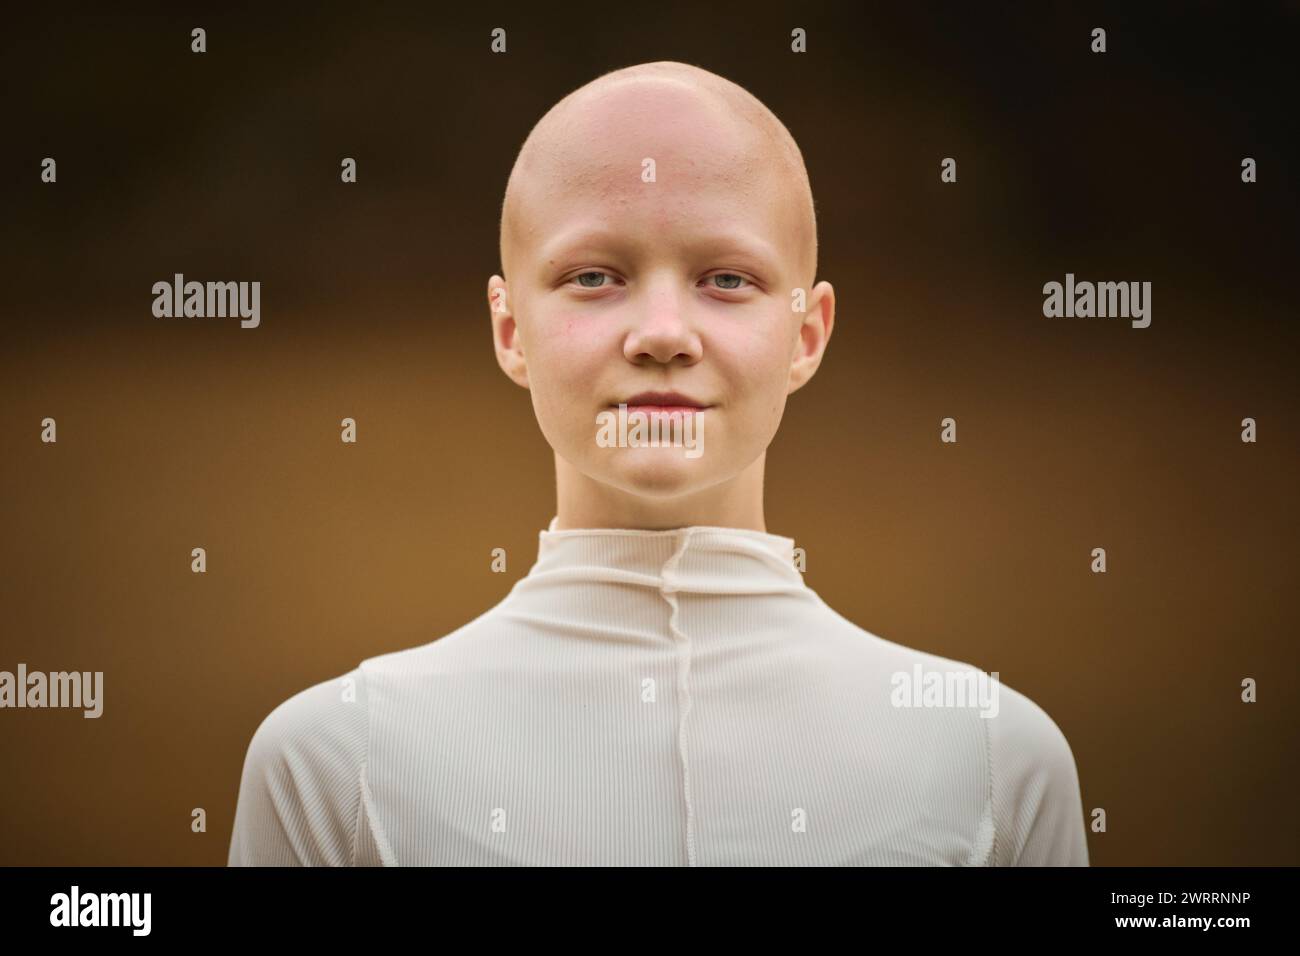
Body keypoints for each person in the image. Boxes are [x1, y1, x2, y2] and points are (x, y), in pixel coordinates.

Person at [228, 60, 1089, 866]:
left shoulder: (987, 763)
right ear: (508, 329)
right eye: (596, 277)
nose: (665, 335)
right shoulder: (336, 770)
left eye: (727, 279)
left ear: (807, 333)